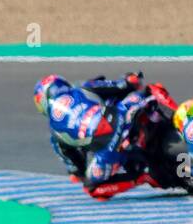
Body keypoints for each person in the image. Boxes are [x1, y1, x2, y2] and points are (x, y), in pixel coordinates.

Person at [33, 70, 167, 199]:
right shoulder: (82, 88)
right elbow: (122, 85)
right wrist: (131, 79)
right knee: (149, 91)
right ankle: (171, 113)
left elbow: (77, 170)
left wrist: (78, 171)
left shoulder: (55, 134)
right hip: (122, 116)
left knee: (92, 188)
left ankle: (144, 176)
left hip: (108, 147)